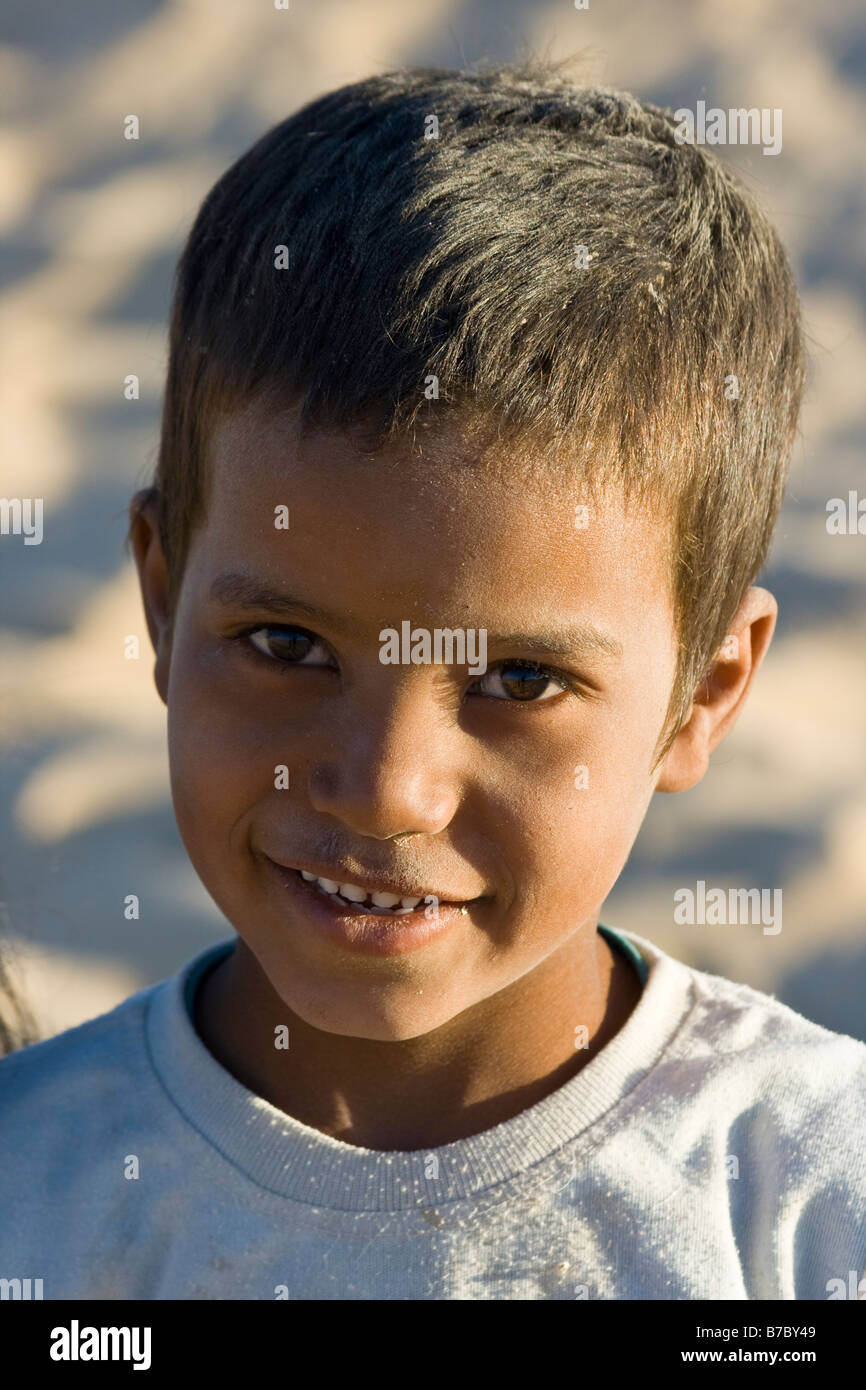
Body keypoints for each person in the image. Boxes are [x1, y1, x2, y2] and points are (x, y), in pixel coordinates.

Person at [1, 58, 864, 1301]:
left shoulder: (803, 1205)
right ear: (159, 594)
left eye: (517, 677)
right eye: (287, 647)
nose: (385, 793)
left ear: (703, 694)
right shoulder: (34, 1192)